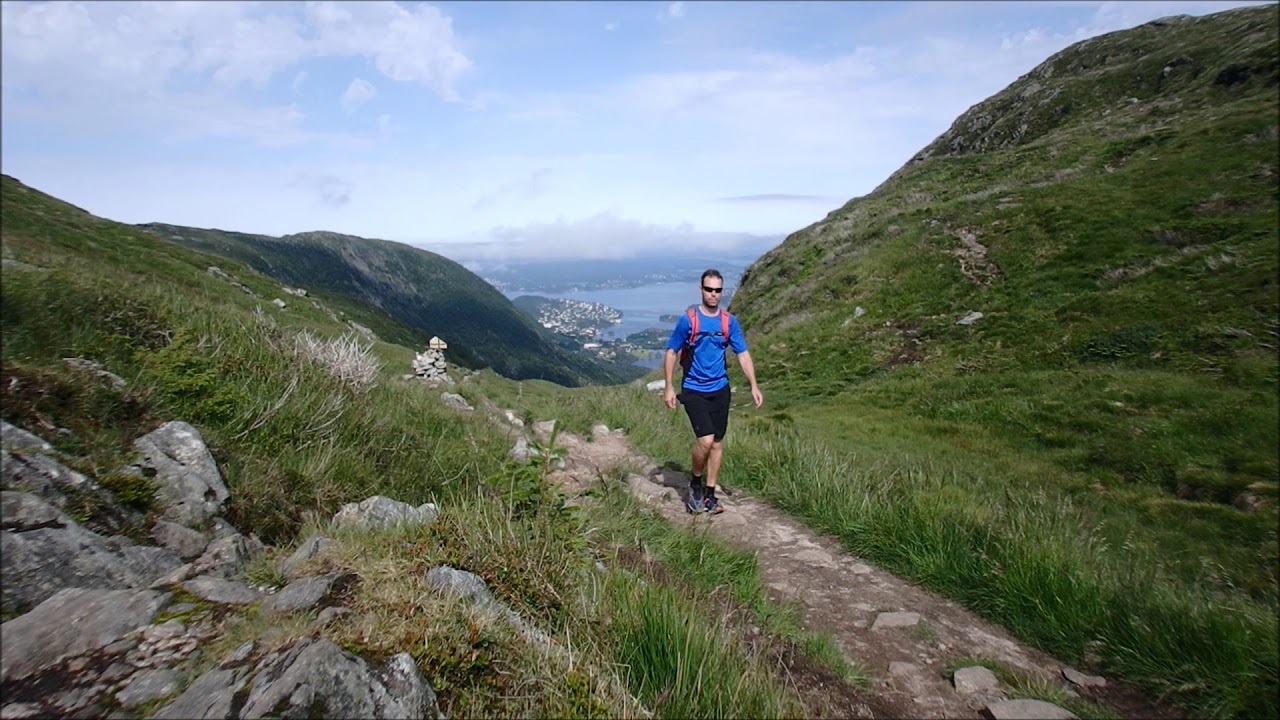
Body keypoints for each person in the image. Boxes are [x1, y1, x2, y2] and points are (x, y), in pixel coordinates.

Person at [662, 269, 763, 514]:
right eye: (709, 289)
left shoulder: (729, 321)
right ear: (701, 290)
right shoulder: (689, 319)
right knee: (705, 440)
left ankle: (709, 494)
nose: (713, 294)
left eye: (718, 290)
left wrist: (753, 384)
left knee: (717, 443)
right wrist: (668, 386)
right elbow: (671, 351)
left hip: (720, 389)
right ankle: (695, 482)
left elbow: (742, 353)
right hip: (694, 388)